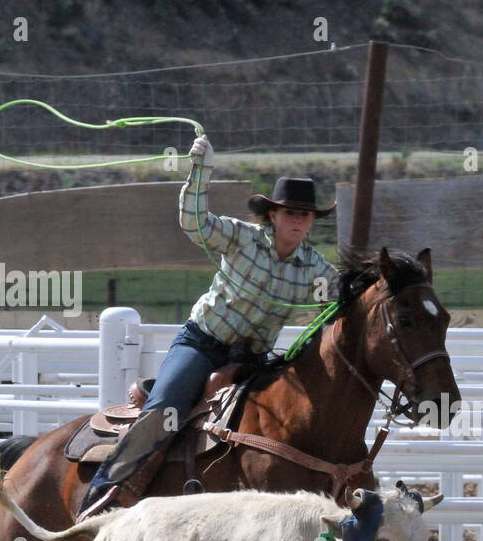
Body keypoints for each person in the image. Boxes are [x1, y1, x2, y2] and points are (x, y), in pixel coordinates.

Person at [78, 135, 340, 519]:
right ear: (273, 215)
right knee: (163, 410)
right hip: (203, 344)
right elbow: (195, 223)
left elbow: (344, 297)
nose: (298, 220)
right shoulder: (243, 238)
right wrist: (200, 171)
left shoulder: (316, 269)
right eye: (291, 213)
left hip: (253, 360)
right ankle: (101, 500)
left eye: (305, 214)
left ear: (311, 221)